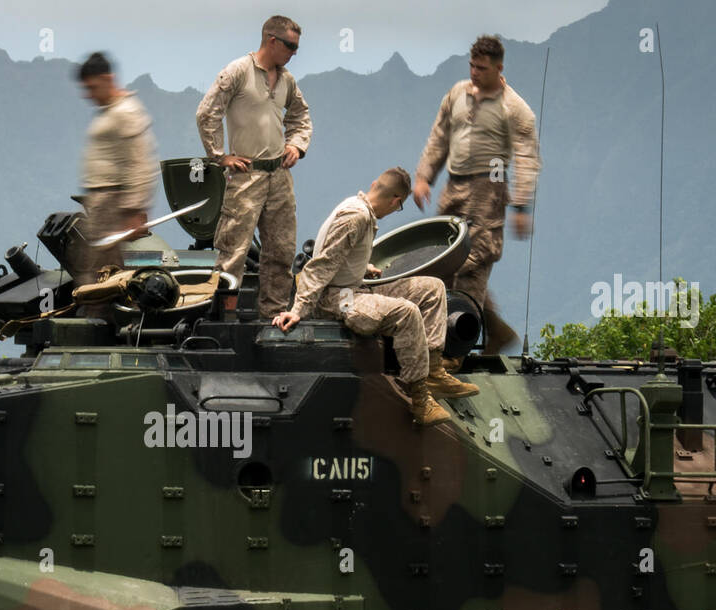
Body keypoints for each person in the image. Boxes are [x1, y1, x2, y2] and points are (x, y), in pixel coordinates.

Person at [272, 168, 479, 426]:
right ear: (396, 201)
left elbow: (342, 254)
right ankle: (420, 399)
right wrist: (299, 309)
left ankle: (434, 371)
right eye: (399, 207)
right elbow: (321, 265)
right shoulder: (355, 217)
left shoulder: (360, 208)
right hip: (337, 297)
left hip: (354, 286)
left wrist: (363, 266)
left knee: (432, 288)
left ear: (374, 185)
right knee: (406, 312)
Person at [413, 34, 540, 358]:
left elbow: (527, 158)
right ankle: (496, 330)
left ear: (499, 68)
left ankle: (456, 349)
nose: (474, 72)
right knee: (442, 262)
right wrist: (424, 176)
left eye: (481, 68)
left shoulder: (514, 108)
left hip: (490, 186)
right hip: (453, 185)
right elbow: (440, 135)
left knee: (473, 263)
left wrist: (522, 206)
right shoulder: (457, 94)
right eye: (471, 65)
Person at [197, 15, 311, 320]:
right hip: (247, 175)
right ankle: (225, 317)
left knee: (281, 250)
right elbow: (207, 113)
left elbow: (300, 116)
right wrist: (220, 156)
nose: (294, 52)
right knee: (233, 250)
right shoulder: (238, 71)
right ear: (271, 41)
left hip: (280, 176)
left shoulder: (286, 80)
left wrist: (296, 145)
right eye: (290, 45)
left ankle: (273, 314)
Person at [73, 52, 159, 299]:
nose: (89, 94)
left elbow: (141, 160)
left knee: (106, 276)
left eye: (92, 87)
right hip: (100, 204)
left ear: (107, 78)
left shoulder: (126, 111)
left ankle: (104, 324)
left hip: (113, 204)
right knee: (93, 271)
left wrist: (135, 209)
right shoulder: (108, 112)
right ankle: (96, 318)